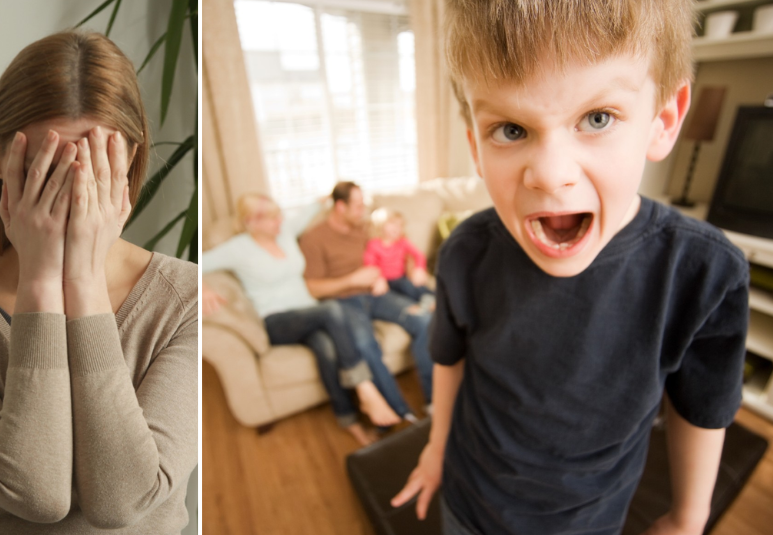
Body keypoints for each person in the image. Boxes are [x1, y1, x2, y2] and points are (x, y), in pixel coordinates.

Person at [388, 2, 749, 534]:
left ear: (663, 121)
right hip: (468, 504)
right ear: (475, 147)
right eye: (510, 129)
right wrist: (436, 448)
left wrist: (688, 519)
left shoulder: (702, 272)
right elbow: (448, 360)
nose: (551, 176)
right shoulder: (467, 252)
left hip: (589, 522)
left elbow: (703, 408)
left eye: (597, 119)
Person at [0, 31, 197, 534]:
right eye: (44, 169)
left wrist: (83, 278)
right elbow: (33, 492)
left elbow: (126, 501)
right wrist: (43, 280)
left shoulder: (189, 300)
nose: (68, 192)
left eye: (89, 166)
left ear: (129, 160)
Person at [203, 193, 417, 445]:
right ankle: (365, 389)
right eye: (272, 218)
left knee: (326, 348)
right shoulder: (238, 248)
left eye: (279, 214)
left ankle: (350, 421)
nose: (280, 221)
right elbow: (197, 264)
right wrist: (205, 289)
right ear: (252, 221)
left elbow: (307, 211)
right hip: (277, 321)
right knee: (332, 310)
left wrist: (325, 199)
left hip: (309, 314)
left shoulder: (284, 232)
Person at [299, 182, 435, 405]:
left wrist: (413, 267)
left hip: (378, 293)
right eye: (358, 205)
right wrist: (352, 280)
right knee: (365, 346)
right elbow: (312, 287)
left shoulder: (366, 228)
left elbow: (398, 246)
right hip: (345, 302)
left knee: (425, 319)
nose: (363, 211)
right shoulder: (314, 238)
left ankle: (434, 401)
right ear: (340, 207)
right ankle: (398, 412)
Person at [364, 209, 434, 306]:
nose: (397, 227)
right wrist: (379, 278)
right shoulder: (373, 244)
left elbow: (419, 255)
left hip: (400, 278)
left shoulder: (403, 242)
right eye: (392, 223)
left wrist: (419, 268)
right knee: (391, 295)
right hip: (384, 281)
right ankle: (425, 301)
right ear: (381, 224)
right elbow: (370, 263)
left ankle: (432, 298)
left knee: (411, 286)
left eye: (400, 225)